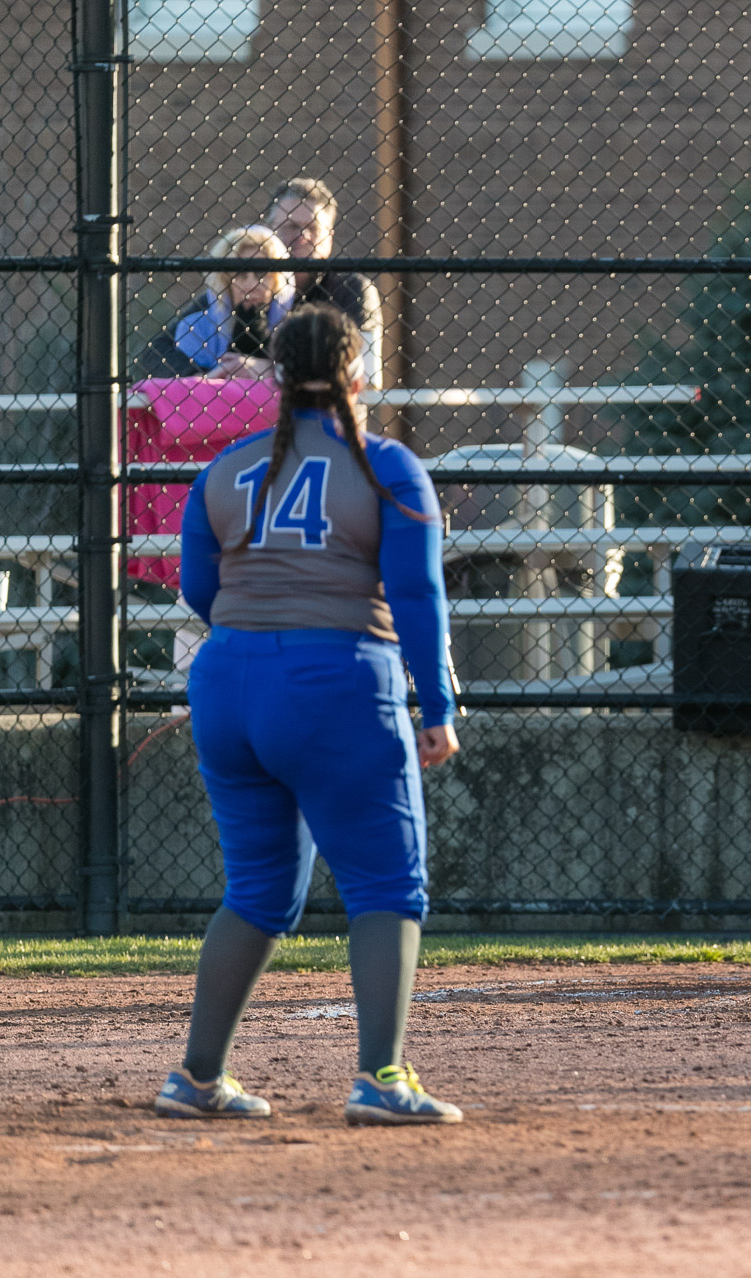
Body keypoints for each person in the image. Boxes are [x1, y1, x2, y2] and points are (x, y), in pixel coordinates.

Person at [153, 304, 462, 1126]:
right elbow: (419, 598)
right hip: (336, 679)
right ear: (359, 375)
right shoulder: (387, 465)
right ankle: (382, 1078)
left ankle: (195, 1077)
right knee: (387, 885)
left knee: (255, 891)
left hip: (228, 683)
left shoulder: (226, 466)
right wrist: (438, 704)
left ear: (277, 379)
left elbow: (198, 589)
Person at [265, 177, 384, 388]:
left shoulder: (353, 289)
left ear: (329, 237)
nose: (302, 236)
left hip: (331, 415)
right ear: (269, 231)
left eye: (313, 228)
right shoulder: (246, 283)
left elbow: (367, 374)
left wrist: (268, 370)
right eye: (290, 226)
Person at [139, 224, 295, 380]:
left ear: (278, 279)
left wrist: (269, 368)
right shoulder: (196, 329)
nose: (251, 284)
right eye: (240, 274)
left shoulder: (297, 328)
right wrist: (208, 379)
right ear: (225, 280)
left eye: (261, 273)